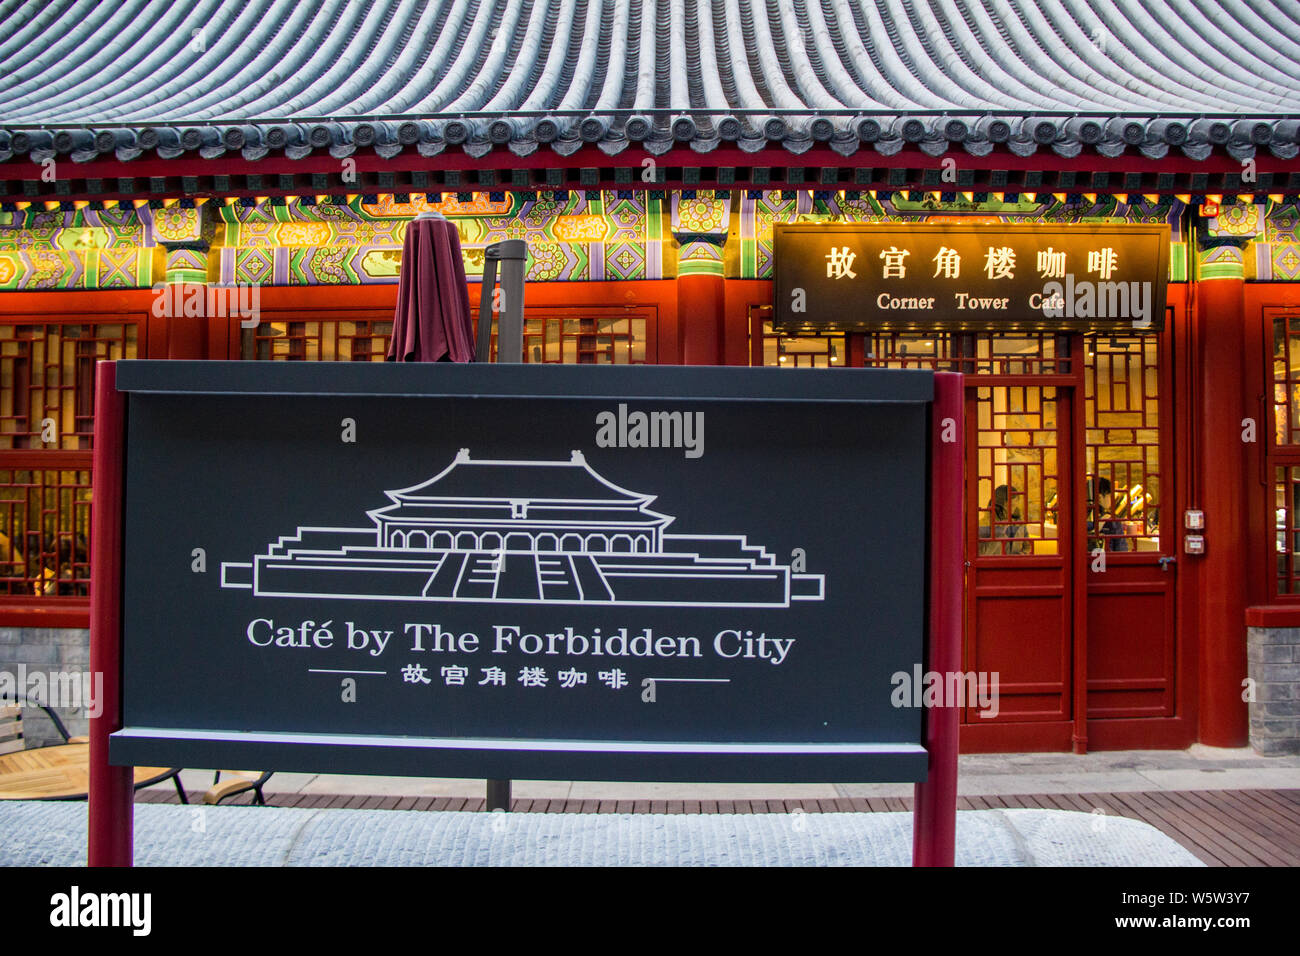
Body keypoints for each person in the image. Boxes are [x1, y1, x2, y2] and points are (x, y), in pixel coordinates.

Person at [978, 484, 1030, 555]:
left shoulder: (1019, 522)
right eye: (1011, 506)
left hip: (1015, 564)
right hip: (994, 565)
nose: (1013, 510)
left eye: (1015, 506)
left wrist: (1023, 554)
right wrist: (999, 531)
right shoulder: (983, 524)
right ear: (999, 505)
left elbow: (1028, 546)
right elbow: (982, 554)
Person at [1087, 477, 1130, 552]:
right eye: (1110, 495)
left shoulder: (1079, 520)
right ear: (1100, 497)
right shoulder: (1112, 521)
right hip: (1106, 561)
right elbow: (1121, 550)